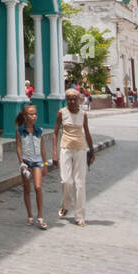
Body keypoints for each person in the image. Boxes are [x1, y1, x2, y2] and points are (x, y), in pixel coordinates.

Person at [55, 88, 95, 226]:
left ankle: (80, 216)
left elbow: (87, 132)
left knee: (79, 183)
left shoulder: (83, 114)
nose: (72, 101)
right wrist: (54, 152)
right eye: (69, 99)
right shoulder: (61, 113)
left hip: (80, 149)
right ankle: (66, 203)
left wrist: (92, 151)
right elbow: (55, 132)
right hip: (65, 148)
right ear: (66, 100)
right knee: (66, 180)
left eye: (74, 99)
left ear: (79, 100)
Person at [16, 104, 50, 229]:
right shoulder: (19, 131)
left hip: (37, 162)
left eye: (35, 114)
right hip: (26, 162)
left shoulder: (39, 131)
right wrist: (22, 164)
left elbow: (42, 149)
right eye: (31, 114)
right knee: (26, 190)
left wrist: (45, 164)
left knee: (38, 187)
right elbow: (18, 148)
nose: (34, 116)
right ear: (25, 116)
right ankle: (30, 216)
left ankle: (40, 217)